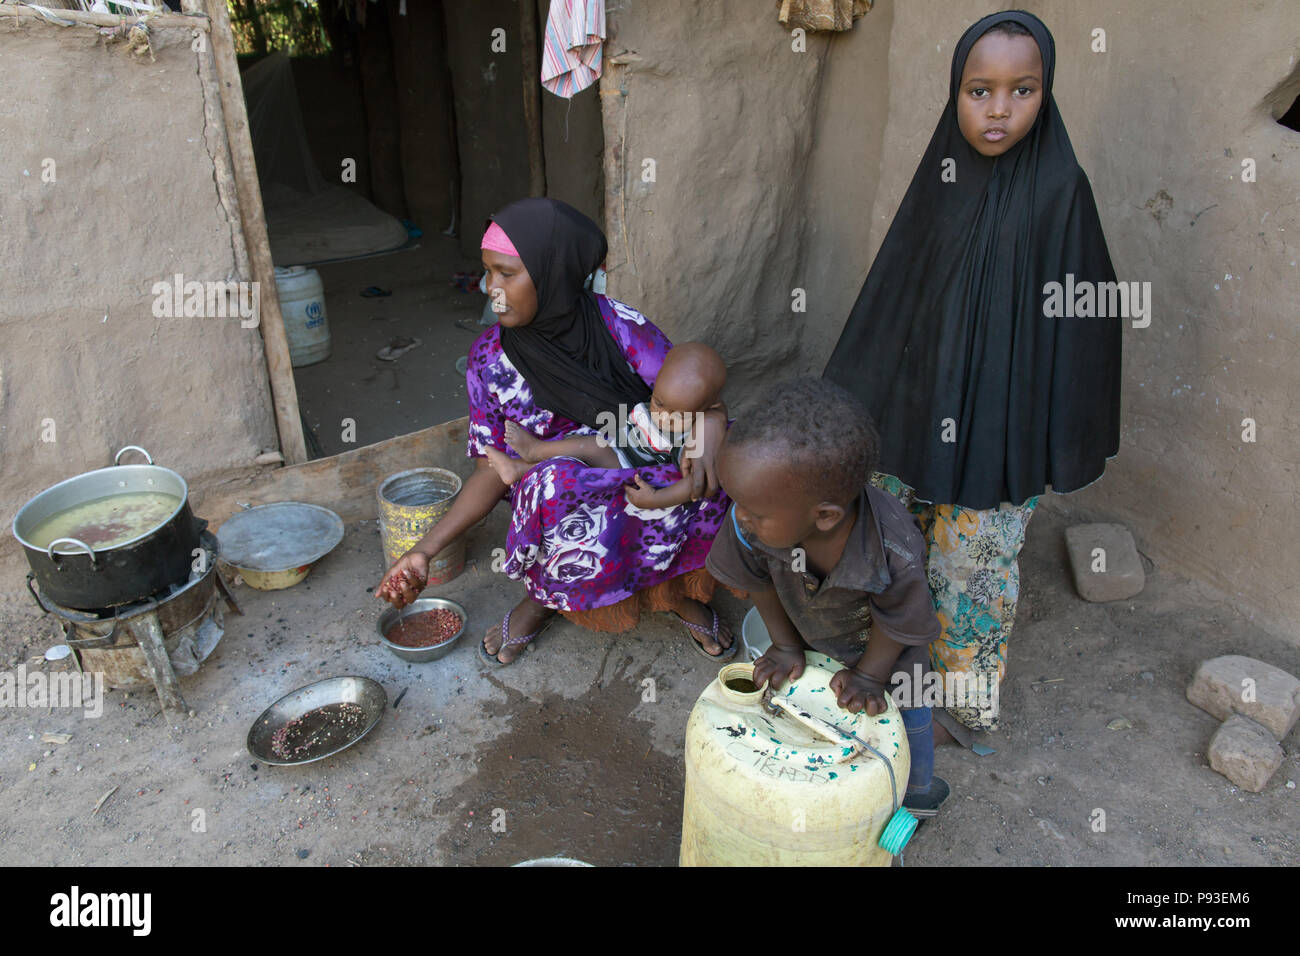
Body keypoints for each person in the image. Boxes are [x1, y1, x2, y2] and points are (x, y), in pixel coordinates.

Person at [823, 11, 1121, 742]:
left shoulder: (1060, 190)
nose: (998, 109)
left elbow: (1083, 323)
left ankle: (960, 701)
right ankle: (883, 660)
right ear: (955, 93)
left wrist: (1051, 431)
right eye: (978, 90)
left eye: (1022, 91)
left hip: (1000, 416)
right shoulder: (941, 176)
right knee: (897, 537)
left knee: (975, 558)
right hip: (920, 399)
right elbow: (894, 295)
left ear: (1045, 95)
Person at [376, 198, 736, 664]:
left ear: (554, 273)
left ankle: (676, 591)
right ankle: (546, 597)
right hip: (567, 490)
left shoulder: (619, 328)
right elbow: (493, 468)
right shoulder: (489, 362)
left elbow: (689, 395)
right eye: (488, 272)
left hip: (645, 464)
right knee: (556, 483)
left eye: (508, 274)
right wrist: (425, 550)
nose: (492, 290)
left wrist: (711, 428)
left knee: (720, 462)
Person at [706, 378, 949, 818]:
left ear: (825, 517)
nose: (738, 515)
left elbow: (899, 622)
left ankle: (915, 795)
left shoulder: (892, 550)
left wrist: (872, 677)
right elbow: (757, 581)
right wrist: (783, 645)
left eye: (753, 510)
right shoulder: (753, 522)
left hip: (888, 656)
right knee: (810, 715)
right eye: (736, 500)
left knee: (906, 718)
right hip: (813, 633)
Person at [484, 341, 727, 512]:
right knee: (581, 451)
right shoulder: (666, 395)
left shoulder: (688, 440)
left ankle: (528, 458)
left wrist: (656, 499)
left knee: (584, 454)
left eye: (677, 414)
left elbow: (693, 484)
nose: (663, 417)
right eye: (659, 403)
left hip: (626, 466)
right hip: (617, 445)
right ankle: (522, 463)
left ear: (706, 409)